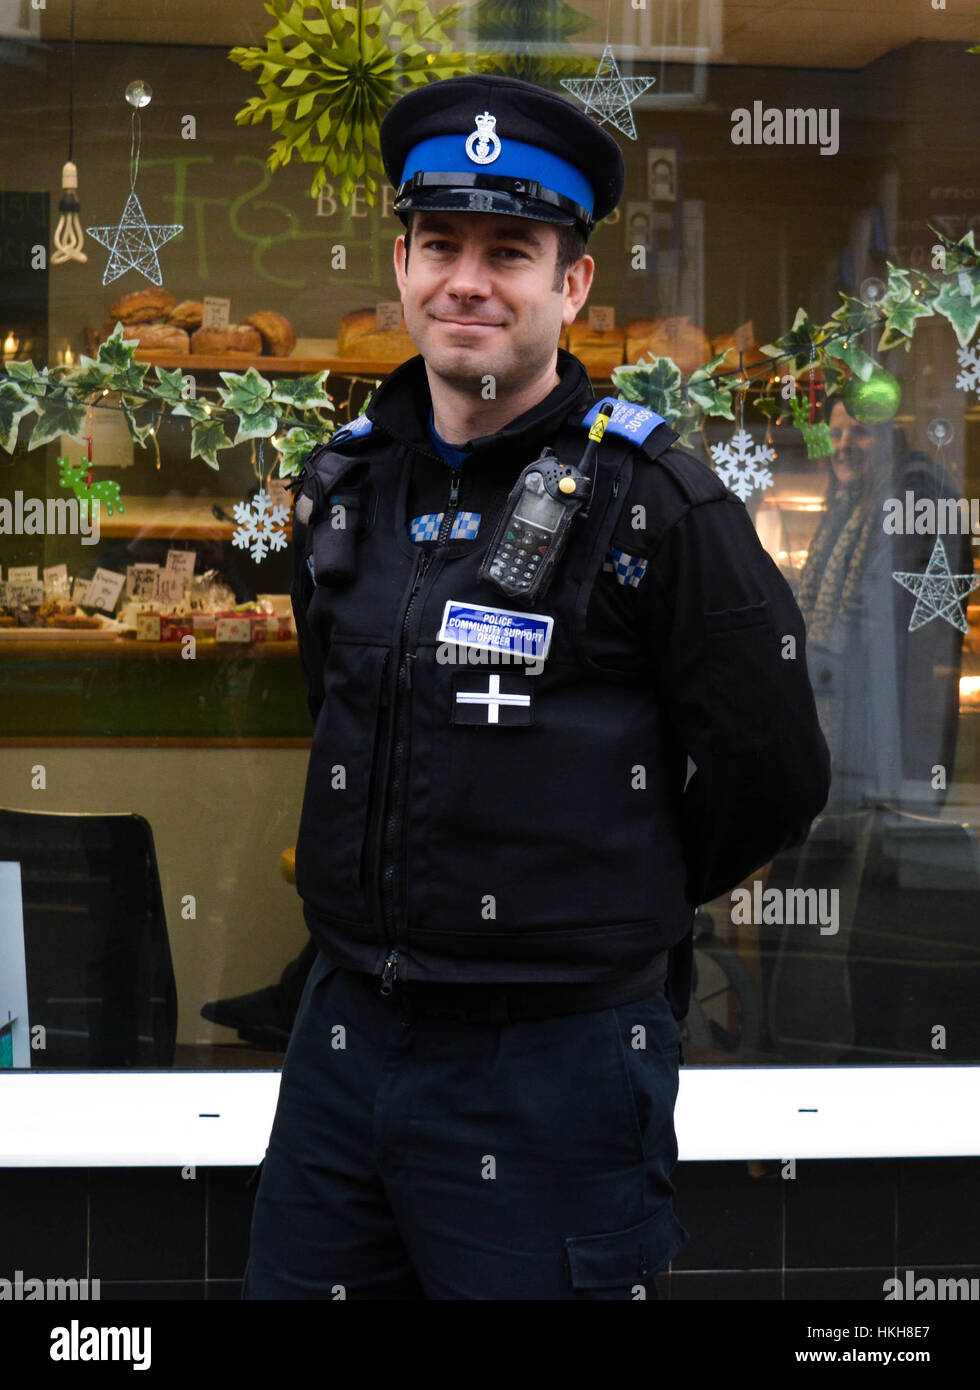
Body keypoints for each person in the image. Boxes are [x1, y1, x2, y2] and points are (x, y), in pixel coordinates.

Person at [242, 73, 830, 1301]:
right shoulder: (341, 485)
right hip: (345, 1053)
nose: (468, 279)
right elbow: (345, 713)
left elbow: (771, 770)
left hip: (554, 1070)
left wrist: (607, 897)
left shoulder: (655, 498)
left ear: (569, 286)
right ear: (400, 264)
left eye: (510, 249)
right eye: (440, 242)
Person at [761, 394, 975, 1063]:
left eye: (860, 432)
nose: (846, 445)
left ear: (892, 433)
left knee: (855, 920)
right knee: (814, 905)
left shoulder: (912, 498)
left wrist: (790, 661)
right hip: (846, 753)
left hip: (876, 760)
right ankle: (805, 1047)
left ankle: (852, 1062)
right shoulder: (853, 506)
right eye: (837, 434)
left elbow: (866, 632)